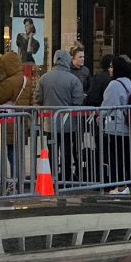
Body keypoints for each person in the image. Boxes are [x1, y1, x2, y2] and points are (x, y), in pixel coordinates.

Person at [34, 49, 85, 182]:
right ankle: (66, 177)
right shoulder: (73, 79)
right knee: (66, 152)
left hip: (50, 123)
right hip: (69, 124)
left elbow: (37, 98)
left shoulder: (44, 78)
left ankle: (52, 177)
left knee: (52, 151)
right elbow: (78, 101)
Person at [0, 51, 33, 185]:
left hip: (6, 122)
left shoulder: (8, 82)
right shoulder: (26, 80)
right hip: (20, 121)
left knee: (0, 153)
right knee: (15, 153)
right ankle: (17, 180)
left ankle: (0, 181)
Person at [101, 56, 131, 184]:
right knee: (125, 155)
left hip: (115, 126)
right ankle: (125, 182)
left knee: (115, 157)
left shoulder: (114, 84)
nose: (110, 69)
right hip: (127, 125)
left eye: (112, 67)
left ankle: (117, 183)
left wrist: (99, 115)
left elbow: (108, 106)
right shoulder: (128, 82)